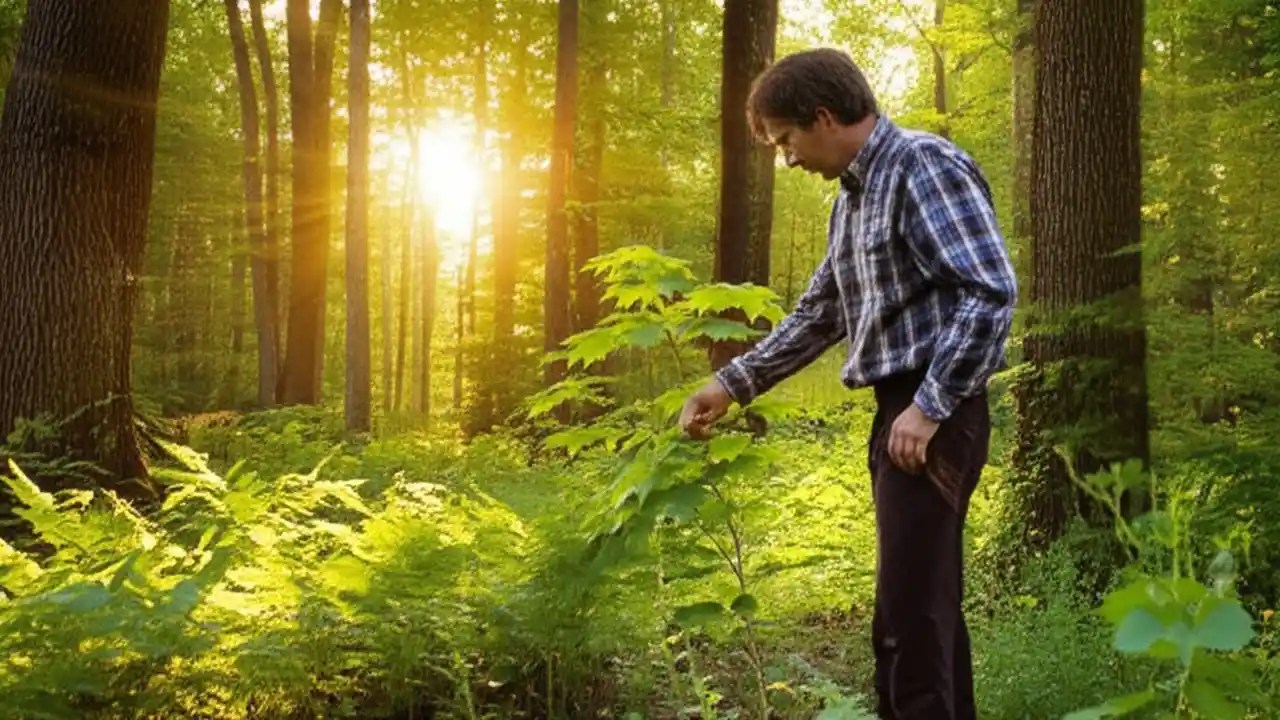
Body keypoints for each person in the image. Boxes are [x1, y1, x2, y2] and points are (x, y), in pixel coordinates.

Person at [678, 48, 1017, 720]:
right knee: (925, 616)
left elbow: (990, 290)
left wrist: (929, 405)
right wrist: (731, 383)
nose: (788, 159)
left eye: (785, 140)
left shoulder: (921, 164)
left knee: (908, 621)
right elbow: (820, 314)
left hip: (934, 409)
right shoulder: (852, 204)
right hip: (903, 409)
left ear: (824, 116)